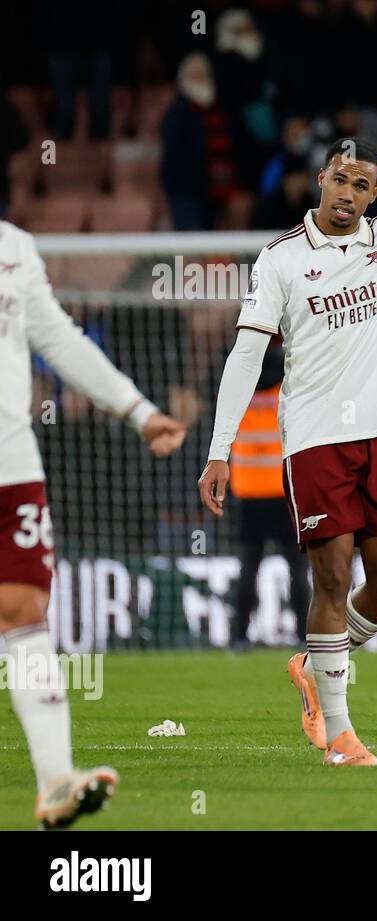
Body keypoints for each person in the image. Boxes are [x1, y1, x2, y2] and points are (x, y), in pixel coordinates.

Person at [198, 137, 377, 767]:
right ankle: (340, 736)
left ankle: (314, 664)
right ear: (320, 179)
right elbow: (247, 353)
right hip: (314, 438)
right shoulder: (278, 259)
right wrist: (220, 448)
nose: (350, 195)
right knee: (332, 578)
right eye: (341, 180)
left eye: (363, 185)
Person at [0, 219, 188, 826]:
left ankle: (56, 779)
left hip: (12, 459)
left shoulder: (13, 247)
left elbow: (56, 337)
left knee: (25, 607)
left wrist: (136, 410)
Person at [227, 341, 309, 649]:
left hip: (248, 487)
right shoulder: (287, 379)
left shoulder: (239, 379)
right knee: (297, 566)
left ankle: (238, 636)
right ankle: (304, 634)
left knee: (249, 565)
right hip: (283, 485)